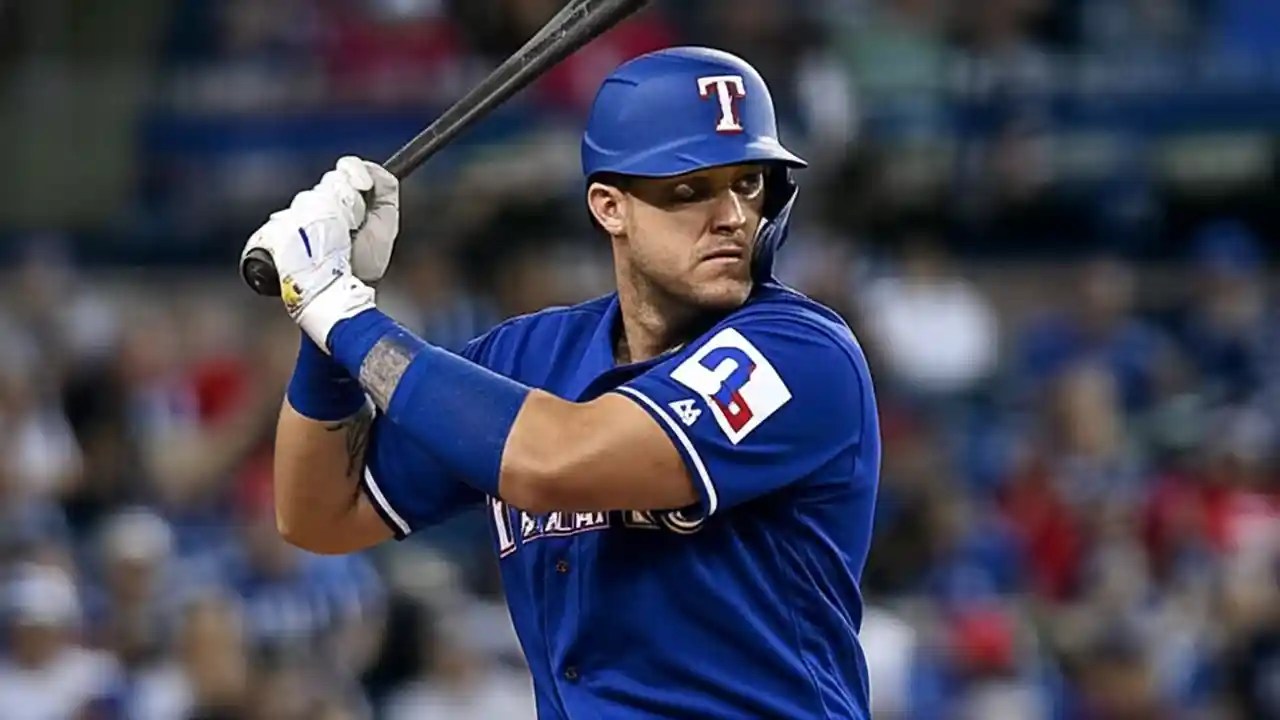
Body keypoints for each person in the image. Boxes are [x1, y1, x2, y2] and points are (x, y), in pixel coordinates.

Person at [241, 46, 881, 719]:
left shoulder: (801, 353)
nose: (731, 216)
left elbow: (553, 462)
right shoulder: (530, 356)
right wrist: (326, 321)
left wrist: (342, 314)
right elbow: (318, 513)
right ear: (610, 206)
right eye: (689, 189)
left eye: (748, 184)